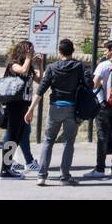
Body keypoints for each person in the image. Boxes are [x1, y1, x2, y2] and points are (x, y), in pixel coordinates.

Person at [25, 38, 89, 186]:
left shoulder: (52, 68)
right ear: (72, 51)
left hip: (54, 108)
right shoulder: (79, 66)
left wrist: (30, 109)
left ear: (59, 51)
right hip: (72, 109)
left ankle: (41, 176)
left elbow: (40, 91)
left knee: (48, 141)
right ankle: (65, 177)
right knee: (68, 143)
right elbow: (89, 84)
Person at [86, 40, 112, 179]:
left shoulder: (104, 64)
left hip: (104, 104)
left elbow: (94, 84)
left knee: (102, 136)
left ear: (111, 50)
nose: (104, 53)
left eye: (105, 50)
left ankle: (100, 169)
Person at [0, 41, 39, 179]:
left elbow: (40, 80)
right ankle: (5, 169)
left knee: (17, 137)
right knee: (11, 136)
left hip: (24, 106)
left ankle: (8, 167)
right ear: (23, 51)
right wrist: (28, 59)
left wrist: (40, 64)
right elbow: (22, 71)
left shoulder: (29, 66)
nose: (32, 52)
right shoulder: (13, 64)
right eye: (30, 50)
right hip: (14, 105)